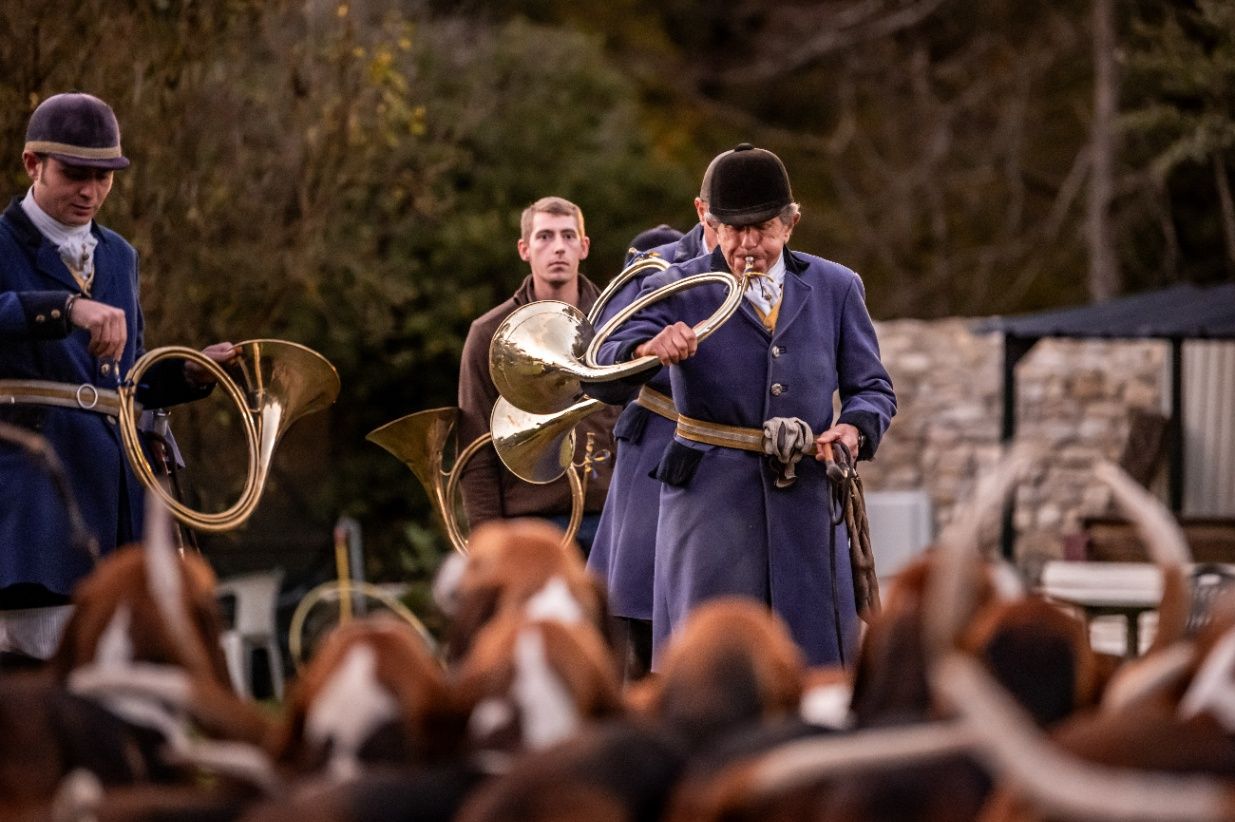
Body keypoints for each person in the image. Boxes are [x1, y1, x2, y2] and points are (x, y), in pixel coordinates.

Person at [597, 144, 896, 668]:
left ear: (791, 223)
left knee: (817, 668)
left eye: (763, 228)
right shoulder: (674, 285)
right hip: (707, 509)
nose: (748, 243)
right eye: (734, 229)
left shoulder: (837, 287)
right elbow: (599, 364)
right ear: (710, 224)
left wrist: (852, 429)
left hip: (807, 511)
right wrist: (646, 349)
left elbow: (872, 387)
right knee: (711, 670)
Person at [0, 92, 237, 660]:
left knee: (121, 669)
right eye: (74, 174)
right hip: (32, 492)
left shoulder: (120, 256)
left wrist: (190, 373)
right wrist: (65, 308)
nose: (90, 191)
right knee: (41, 664)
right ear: (33, 164)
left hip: (115, 497)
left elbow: (127, 382)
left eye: (103, 177)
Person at [585, 155, 723, 678]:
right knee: (644, 611)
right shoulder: (654, 266)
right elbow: (603, 358)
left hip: (728, 458)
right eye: (722, 221)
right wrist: (646, 347)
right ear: (701, 211)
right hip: (656, 448)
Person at [457, 196, 619, 556]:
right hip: (529, 524)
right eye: (545, 236)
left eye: (568, 236)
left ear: (584, 246)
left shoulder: (617, 323)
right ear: (524, 249)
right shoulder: (488, 334)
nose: (558, 247)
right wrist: (488, 541)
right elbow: (475, 447)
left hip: (613, 515)